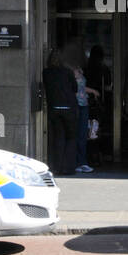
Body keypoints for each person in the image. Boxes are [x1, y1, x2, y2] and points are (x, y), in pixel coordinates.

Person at [42, 47, 78, 175]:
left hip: (54, 108)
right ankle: (68, 167)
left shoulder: (46, 73)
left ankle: (56, 167)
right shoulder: (67, 72)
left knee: (58, 137)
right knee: (71, 138)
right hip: (69, 108)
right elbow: (75, 88)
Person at [65, 40, 98, 174]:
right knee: (79, 135)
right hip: (77, 105)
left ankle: (81, 162)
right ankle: (79, 162)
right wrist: (92, 91)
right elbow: (77, 87)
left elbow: (81, 86)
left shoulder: (77, 67)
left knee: (82, 135)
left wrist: (93, 92)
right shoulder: (69, 68)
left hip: (83, 105)